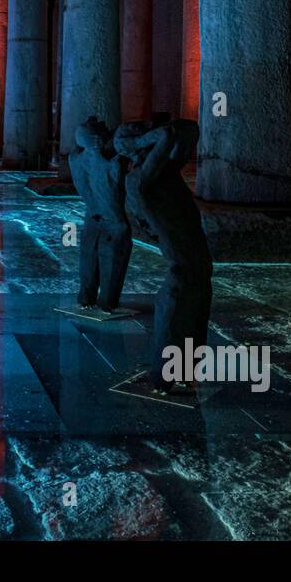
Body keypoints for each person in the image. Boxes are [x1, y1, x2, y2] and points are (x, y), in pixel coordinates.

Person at [112, 118, 212, 393]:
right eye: (145, 137)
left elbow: (189, 129)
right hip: (181, 262)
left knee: (195, 309)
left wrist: (144, 138)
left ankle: (186, 370)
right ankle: (164, 376)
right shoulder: (140, 179)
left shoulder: (164, 171)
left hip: (195, 261)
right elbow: (168, 133)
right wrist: (145, 138)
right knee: (178, 307)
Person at [67, 117, 131, 311]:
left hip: (91, 215)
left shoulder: (74, 160)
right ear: (97, 139)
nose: (106, 127)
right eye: (102, 128)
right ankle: (108, 301)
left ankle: (86, 297)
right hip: (114, 220)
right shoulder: (114, 164)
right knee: (112, 264)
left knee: (88, 258)